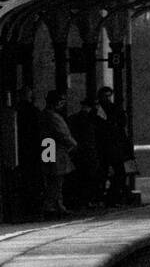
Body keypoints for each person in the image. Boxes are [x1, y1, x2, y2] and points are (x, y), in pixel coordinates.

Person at [38, 90, 77, 218]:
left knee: (52, 178)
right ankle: (52, 206)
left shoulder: (44, 115)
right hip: (55, 149)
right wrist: (73, 143)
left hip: (47, 147)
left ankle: (55, 205)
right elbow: (62, 134)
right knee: (56, 178)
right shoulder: (53, 116)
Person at [67, 96, 105, 210]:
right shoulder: (93, 119)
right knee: (90, 177)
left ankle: (79, 200)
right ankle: (88, 200)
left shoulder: (72, 118)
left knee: (79, 177)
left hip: (77, 152)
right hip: (89, 152)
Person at [97, 86, 131, 206]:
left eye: (109, 96)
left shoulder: (112, 109)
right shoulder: (100, 111)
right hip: (105, 147)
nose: (107, 99)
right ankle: (107, 197)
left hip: (111, 146)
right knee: (105, 173)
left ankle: (111, 197)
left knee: (117, 172)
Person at [15, 85, 43, 217]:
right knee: (35, 179)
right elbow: (43, 133)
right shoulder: (34, 111)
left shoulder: (16, 110)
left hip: (20, 150)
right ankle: (35, 208)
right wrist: (49, 155)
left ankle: (24, 208)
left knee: (24, 179)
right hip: (35, 150)